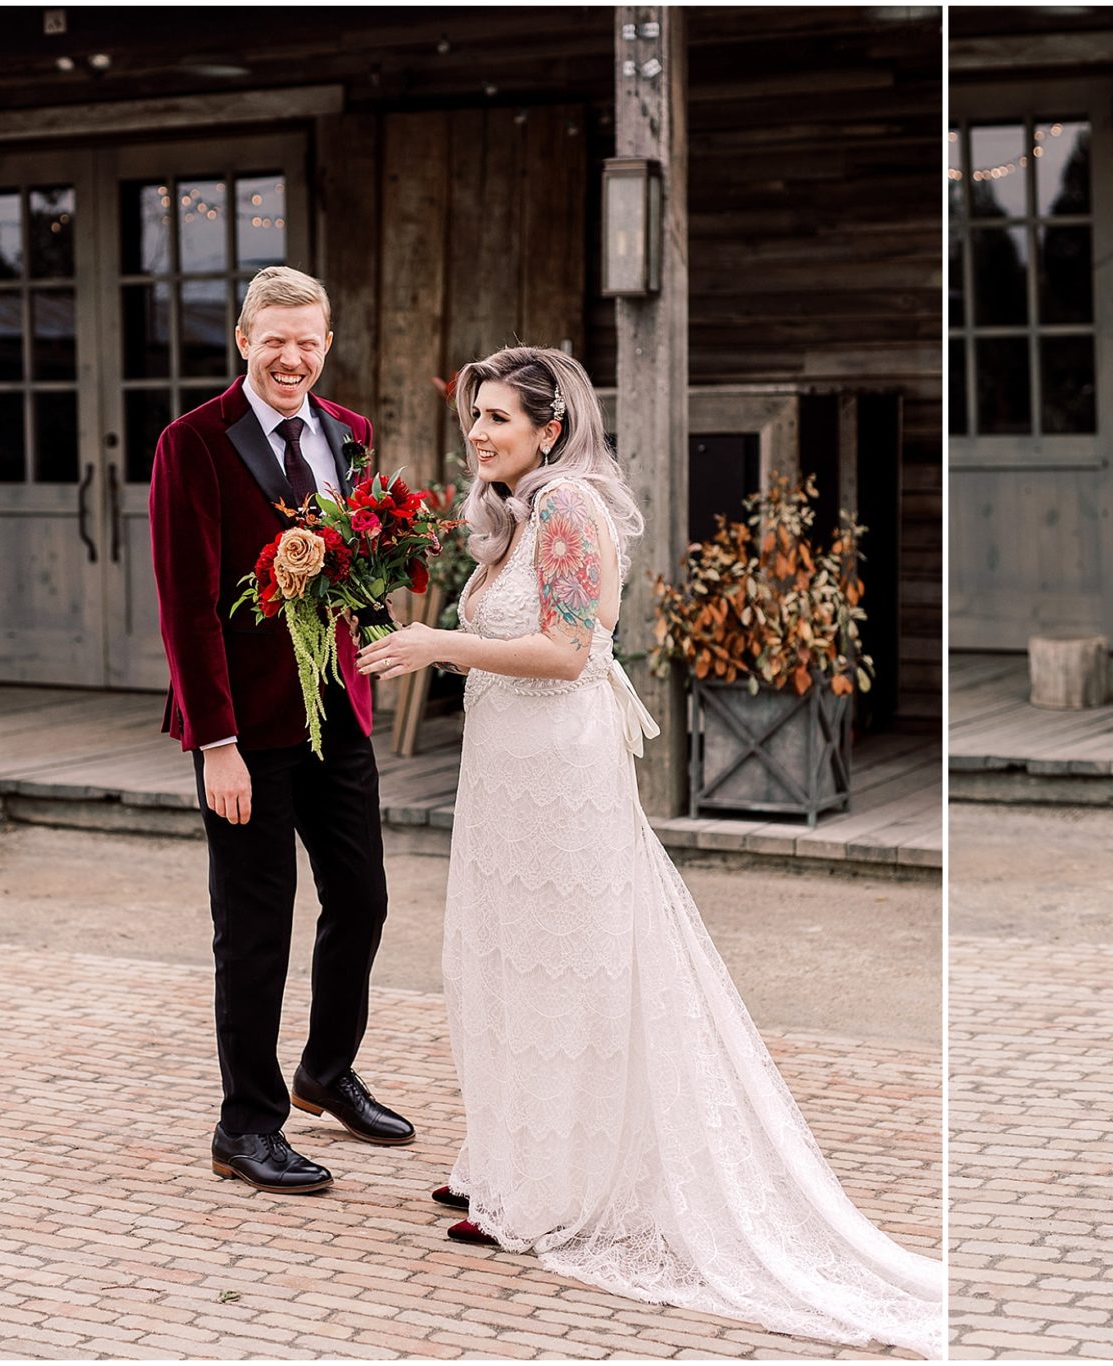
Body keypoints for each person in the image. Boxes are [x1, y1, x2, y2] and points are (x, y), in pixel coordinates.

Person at [354, 346, 943, 1357]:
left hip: (558, 767)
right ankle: (513, 1155)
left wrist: (434, 645)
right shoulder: (517, 512)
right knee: (506, 959)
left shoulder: (570, 509)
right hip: (508, 767)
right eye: (474, 418)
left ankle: (553, 1186)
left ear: (549, 429)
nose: (479, 433)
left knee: (567, 968)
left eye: (497, 417)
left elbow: (567, 650)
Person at [148, 265, 414, 1197]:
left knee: (364, 900)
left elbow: (355, 572)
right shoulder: (193, 443)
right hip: (243, 728)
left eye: (308, 341)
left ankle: (325, 1072)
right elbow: (186, 605)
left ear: (327, 343)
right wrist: (214, 744)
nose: (292, 357)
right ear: (244, 340)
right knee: (255, 928)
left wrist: (395, 641)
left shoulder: (348, 434)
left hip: (333, 713)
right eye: (275, 340)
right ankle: (245, 1125)